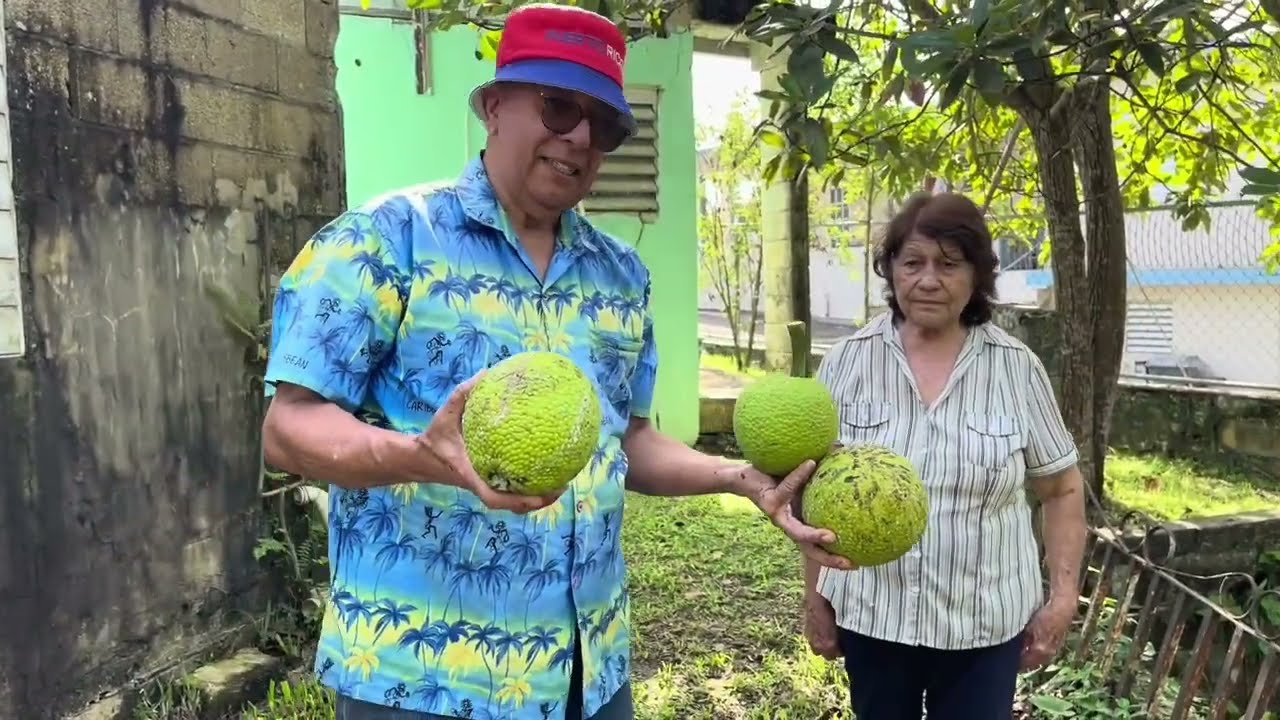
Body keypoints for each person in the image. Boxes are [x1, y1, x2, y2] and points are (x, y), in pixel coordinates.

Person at [260, 5, 850, 720]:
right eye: (559, 107)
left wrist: (738, 478)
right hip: (422, 671)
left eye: (604, 126)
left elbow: (627, 440)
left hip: (585, 669)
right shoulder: (384, 240)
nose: (580, 138)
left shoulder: (621, 275)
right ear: (494, 107)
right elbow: (289, 427)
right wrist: (421, 457)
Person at [800, 192, 1089, 720]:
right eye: (912, 262)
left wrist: (1064, 597)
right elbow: (813, 491)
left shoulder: (1016, 368)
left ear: (977, 275)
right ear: (891, 270)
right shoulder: (847, 362)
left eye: (948, 264)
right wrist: (815, 595)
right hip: (874, 615)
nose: (928, 279)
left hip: (984, 626)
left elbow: (1062, 488)